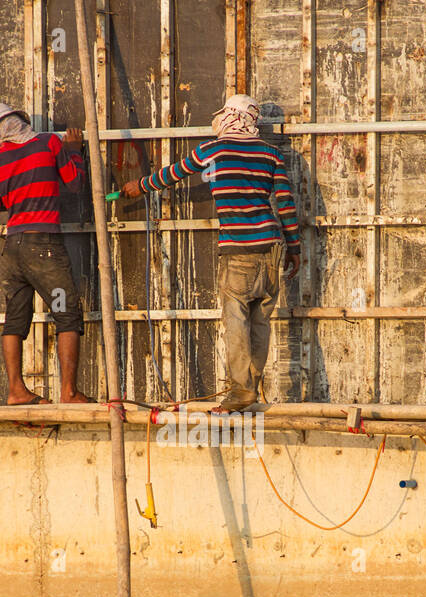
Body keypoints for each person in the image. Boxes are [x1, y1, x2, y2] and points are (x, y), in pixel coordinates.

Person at [122, 94, 300, 412]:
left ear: (228, 117)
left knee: (237, 321)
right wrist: (295, 249)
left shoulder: (212, 150)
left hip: (238, 250)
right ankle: (250, 389)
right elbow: (285, 204)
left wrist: (140, 186)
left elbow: (172, 174)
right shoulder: (271, 155)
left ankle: (240, 392)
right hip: (273, 247)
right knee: (260, 322)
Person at [0, 102, 92, 404]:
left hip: (12, 248)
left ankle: (16, 391)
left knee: (15, 320)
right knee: (66, 315)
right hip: (44, 246)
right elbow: (75, 183)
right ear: (19, 122)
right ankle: (68, 392)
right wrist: (75, 151)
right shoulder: (49, 143)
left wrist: (16, 201)